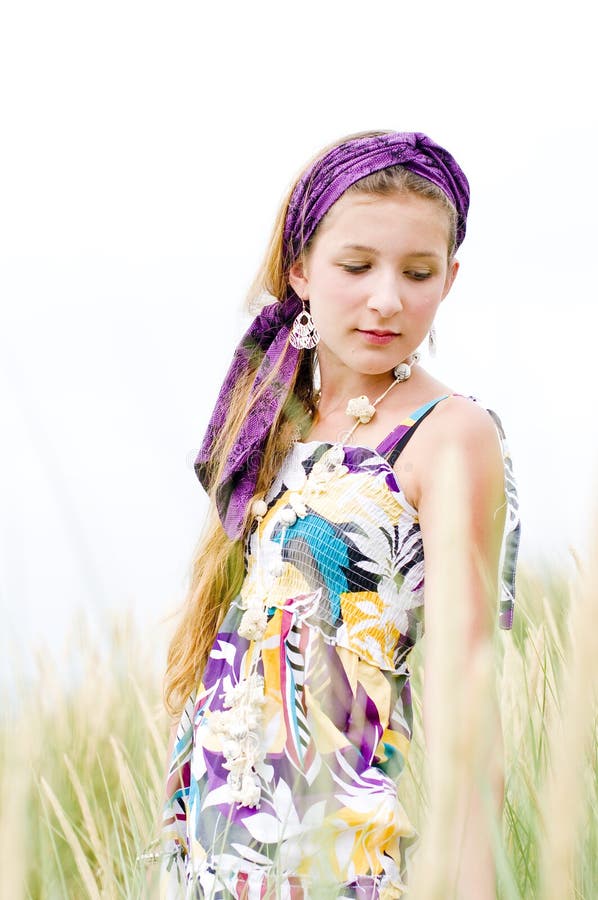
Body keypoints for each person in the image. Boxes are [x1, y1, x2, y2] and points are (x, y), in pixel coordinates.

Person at [156, 130, 521, 898]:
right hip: (216, 833)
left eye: (417, 272)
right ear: (300, 268)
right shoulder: (274, 420)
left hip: (331, 845)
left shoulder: (447, 435)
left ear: (450, 278)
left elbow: (466, 698)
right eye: (356, 266)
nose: (387, 299)